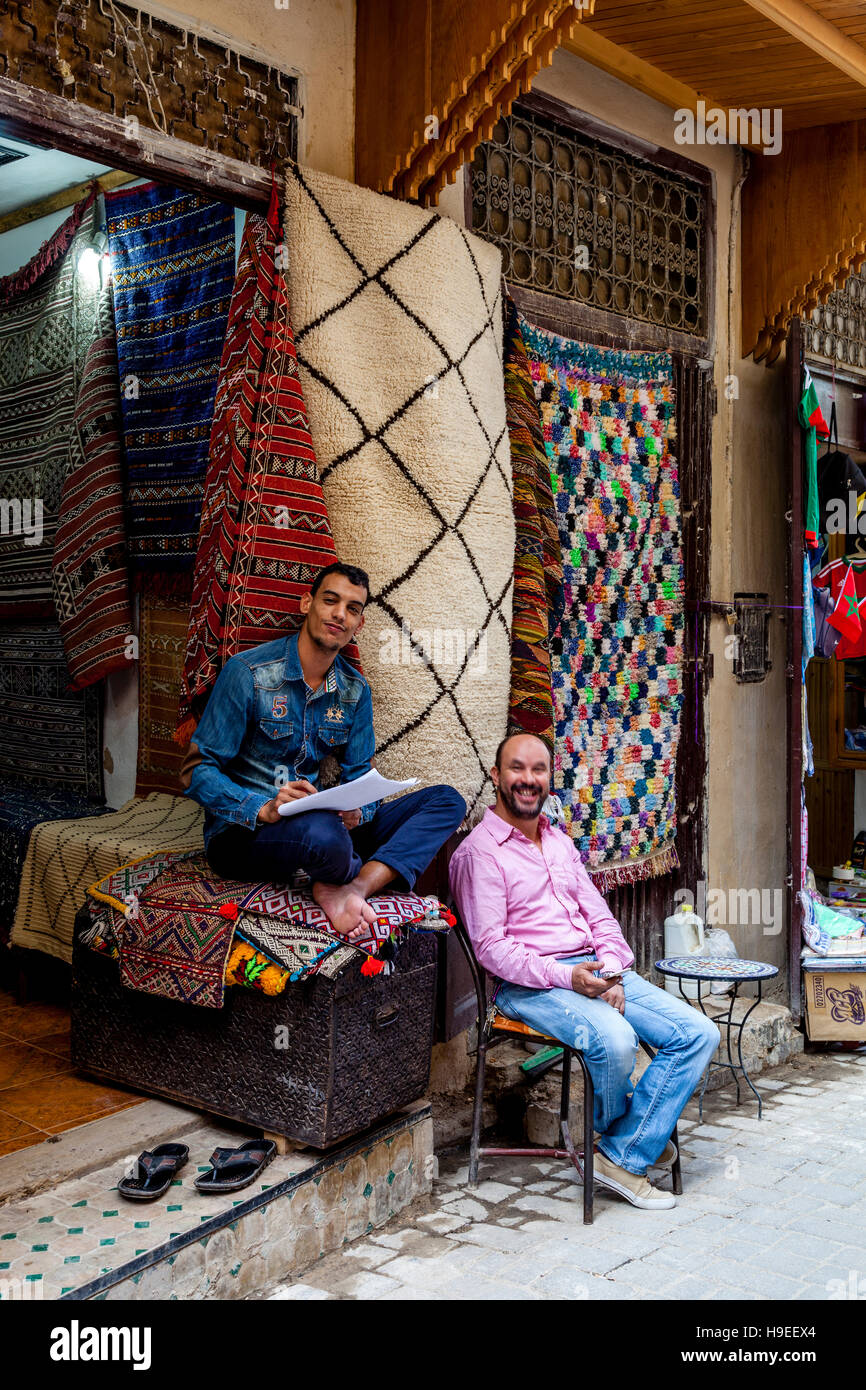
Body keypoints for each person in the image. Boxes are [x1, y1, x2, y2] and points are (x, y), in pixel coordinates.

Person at [448, 731, 719, 1211]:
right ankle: (634, 1144)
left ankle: (623, 1150)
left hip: (594, 969)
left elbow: (600, 918)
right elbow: (492, 950)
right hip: (529, 985)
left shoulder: (558, 843)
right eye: (517, 768)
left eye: (538, 770)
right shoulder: (479, 853)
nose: (528, 781)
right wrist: (569, 978)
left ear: (549, 780)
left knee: (697, 1033)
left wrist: (611, 973)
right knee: (617, 1040)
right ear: (496, 776)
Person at [182, 561, 466, 938]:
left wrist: (357, 811)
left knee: (447, 801)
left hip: (322, 827)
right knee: (323, 835)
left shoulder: (354, 690)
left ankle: (354, 886)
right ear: (306, 604)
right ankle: (341, 867)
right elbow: (196, 771)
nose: (339, 614)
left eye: (352, 608)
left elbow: (361, 775)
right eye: (330, 600)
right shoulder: (248, 673)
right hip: (243, 835)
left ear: (359, 624)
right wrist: (264, 807)